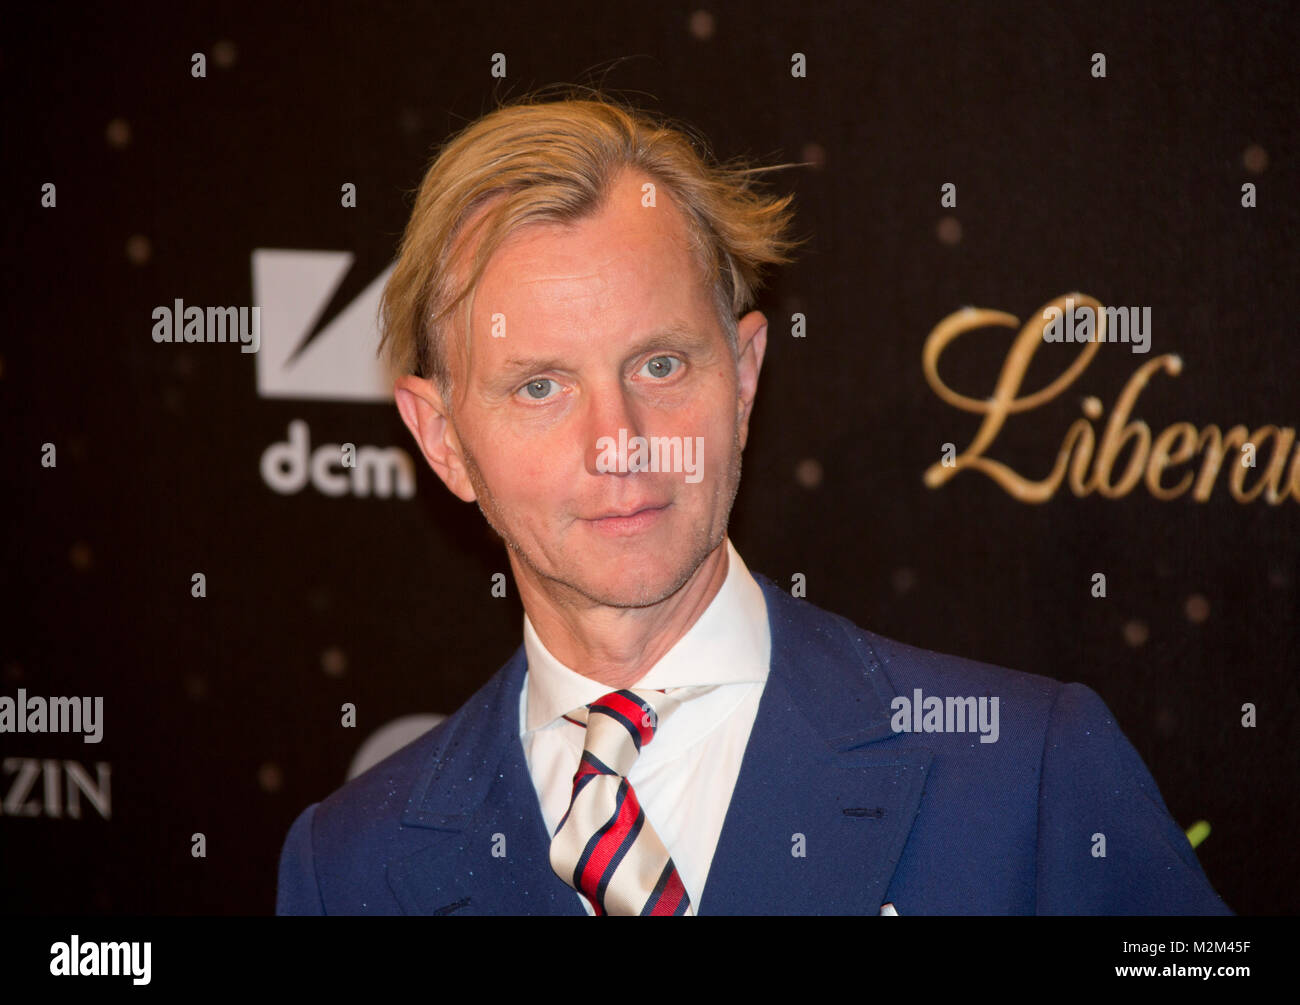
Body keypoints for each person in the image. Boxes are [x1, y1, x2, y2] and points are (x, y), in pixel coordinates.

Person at [275, 91, 1231, 915]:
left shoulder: (1023, 775)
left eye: (660, 364)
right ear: (443, 439)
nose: (619, 441)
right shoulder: (349, 865)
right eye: (540, 386)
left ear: (742, 377)